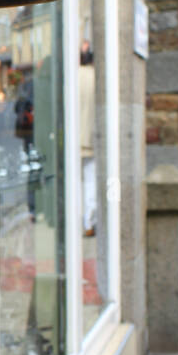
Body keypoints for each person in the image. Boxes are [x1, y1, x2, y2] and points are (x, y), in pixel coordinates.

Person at [79, 42, 96, 236]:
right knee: (90, 181)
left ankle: (81, 220)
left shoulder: (73, 75)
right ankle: (88, 222)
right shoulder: (95, 77)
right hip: (91, 136)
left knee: (77, 181)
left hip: (74, 136)